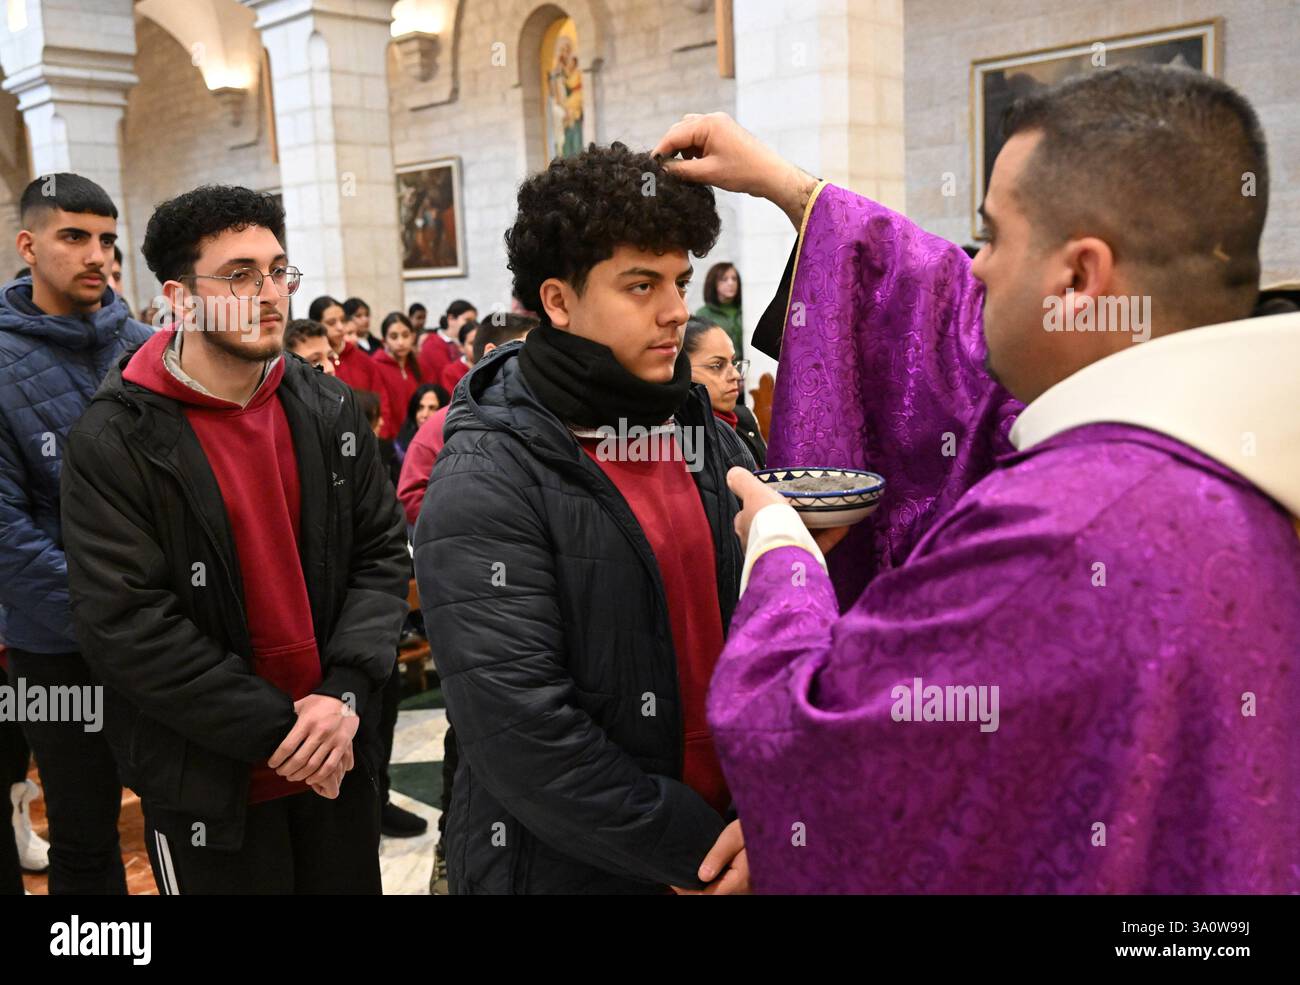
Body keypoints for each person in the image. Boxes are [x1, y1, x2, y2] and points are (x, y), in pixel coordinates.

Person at [652, 66, 1300, 893]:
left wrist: (782, 546)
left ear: (1078, 279)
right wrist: (793, 191)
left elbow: (810, 736)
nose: (976, 270)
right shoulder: (1240, 459)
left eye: (990, 236)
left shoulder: (1064, 528)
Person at [414, 143, 755, 895]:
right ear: (559, 302)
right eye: (641, 284)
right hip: (572, 867)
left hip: (733, 835)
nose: (675, 311)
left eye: (679, 281)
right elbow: (523, 729)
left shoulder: (705, 434)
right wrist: (700, 852)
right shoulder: (489, 473)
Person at [60, 184, 410, 894]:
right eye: (241, 275)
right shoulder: (117, 434)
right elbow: (127, 624)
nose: (271, 293)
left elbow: (380, 554)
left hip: (336, 762)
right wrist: (283, 728)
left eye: (279, 271)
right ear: (180, 298)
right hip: (211, 780)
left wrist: (342, 694)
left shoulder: (326, 403)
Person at [0, 172, 152, 894]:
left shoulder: (152, 348)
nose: (97, 255)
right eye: (74, 237)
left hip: (163, 632)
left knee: (183, 817)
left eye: (107, 240)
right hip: (51, 645)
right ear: (27, 245)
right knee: (84, 832)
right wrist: (113, 611)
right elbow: (6, 533)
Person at [684, 316, 764, 467]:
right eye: (717, 365)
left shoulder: (744, 419)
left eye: (733, 362)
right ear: (681, 370)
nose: (735, 375)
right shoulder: (683, 439)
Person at [313, 293, 395, 435]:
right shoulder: (311, 363)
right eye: (331, 323)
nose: (340, 327)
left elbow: (382, 402)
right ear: (316, 325)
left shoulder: (364, 360)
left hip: (367, 438)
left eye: (342, 321)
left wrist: (378, 435)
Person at [371, 312, 422, 442]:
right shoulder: (376, 366)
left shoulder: (416, 365)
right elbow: (382, 408)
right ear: (384, 341)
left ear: (413, 337)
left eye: (405, 335)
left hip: (416, 436)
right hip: (392, 440)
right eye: (394, 337)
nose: (401, 342)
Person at [393, 383, 447, 473]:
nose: (424, 415)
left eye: (432, 408)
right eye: (420, 408)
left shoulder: (452, 445)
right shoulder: (400, 449)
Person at [416, 298, 475, 382]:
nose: (471, 325)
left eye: (474, 321)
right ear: (451, 319)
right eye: (467, 320)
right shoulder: (432, 343)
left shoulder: (467, 343)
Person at [694, 261, 743, 358]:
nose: (731, 283)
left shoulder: (747, 311)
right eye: (724, 279)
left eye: (734, 279)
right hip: (719, 368)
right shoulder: (703, 314)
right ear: (713, 283)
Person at [439, 319, 476, 393]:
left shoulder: (492, 366)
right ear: (461, 347)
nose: (477, 347)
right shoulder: (450, 372)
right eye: (472, 343)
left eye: (480, 342)